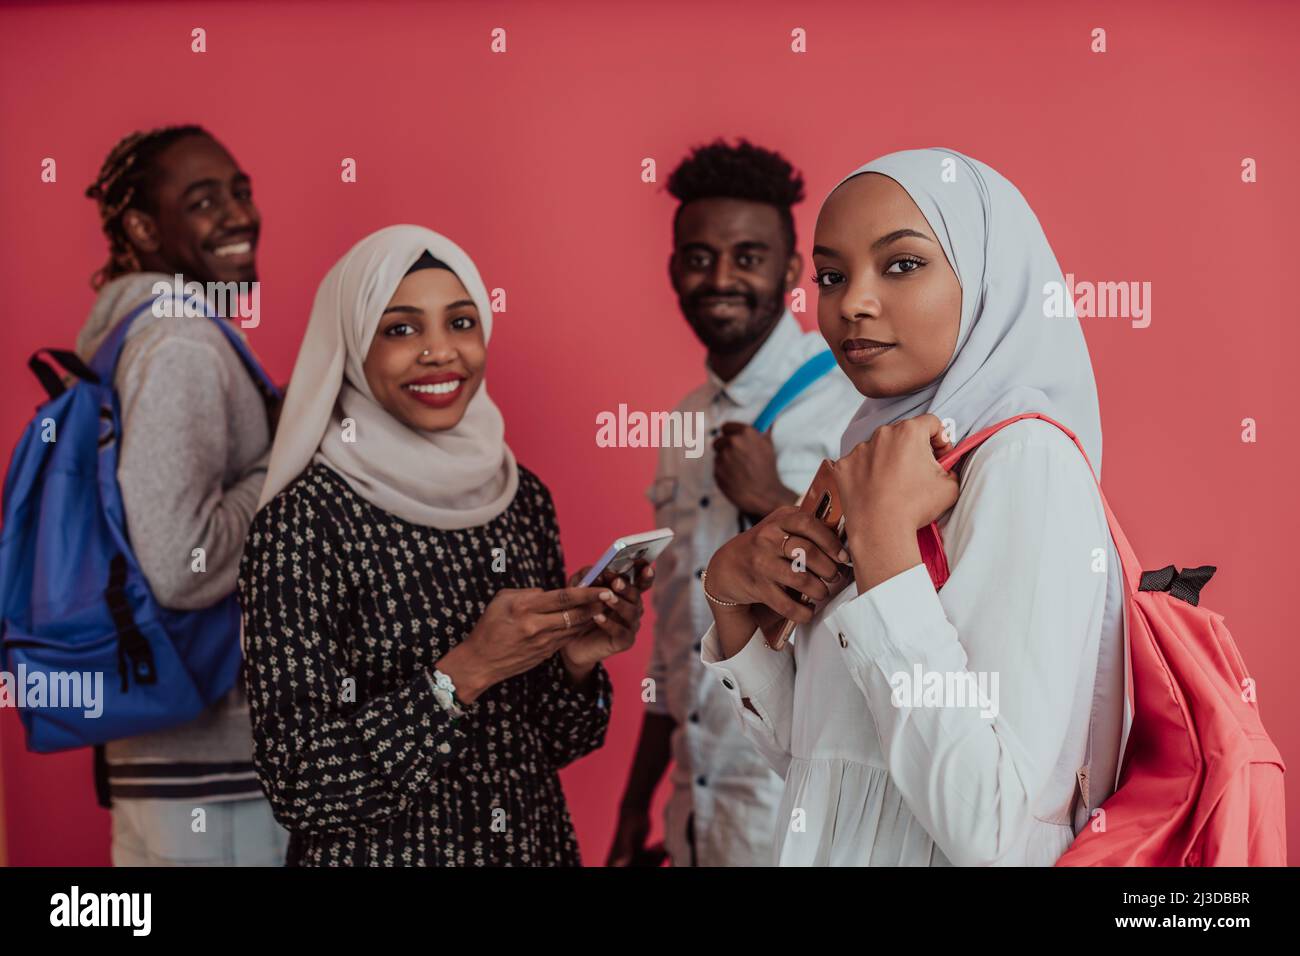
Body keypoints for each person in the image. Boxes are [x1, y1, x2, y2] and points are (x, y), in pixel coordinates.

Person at [699, 147, 1127, 866]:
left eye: (901, 265)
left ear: (987, 275)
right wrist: (732, 601)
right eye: (832, 276)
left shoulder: (1022, 462)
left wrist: (885, 543)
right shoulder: (877, 459)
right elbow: (825, 767)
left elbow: (996, 830)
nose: (853, 303)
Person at [240, 225, 649, 866]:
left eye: (461, 323)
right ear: (351, 344)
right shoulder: (304, 522)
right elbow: (298, 784)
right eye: (401, 329)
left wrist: (575, 661)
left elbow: (550, 743)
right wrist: (464, 673)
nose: (439, 352)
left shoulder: (519, 497)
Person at [608, 140, 860, 867]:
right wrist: (637, 804)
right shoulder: (686, 423)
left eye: (748, 257)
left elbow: (898, 599)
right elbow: (676, 638)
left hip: (805, 813)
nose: (720, 277)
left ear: (788, 272)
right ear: (673, 268)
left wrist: (770, 500)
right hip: (700, 811)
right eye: (699, 256)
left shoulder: (850, 407)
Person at [76, 125, 289, 865]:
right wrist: (286, 461)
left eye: (240, 191)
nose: (239, 215)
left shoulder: (137, 336)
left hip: (166, 759)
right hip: (212, 774)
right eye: (202, 201)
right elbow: (179, 560)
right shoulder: (180, 342)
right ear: (141, 227)